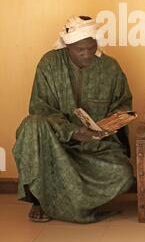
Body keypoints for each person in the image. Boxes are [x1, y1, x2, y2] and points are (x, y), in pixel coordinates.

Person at [12, 16, 135, 224]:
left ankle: (80, 201)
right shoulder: (49, 63)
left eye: (91, 47)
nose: (87, 54)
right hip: (57, 145)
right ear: (67, 46)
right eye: (80, 49)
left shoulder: (110, 67)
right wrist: (73, 132)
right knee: (31, 125)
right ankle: (40, 200)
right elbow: (40, 108)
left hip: (96, 148)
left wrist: (108, 125)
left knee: (123, 174)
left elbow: (123, 103)